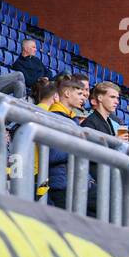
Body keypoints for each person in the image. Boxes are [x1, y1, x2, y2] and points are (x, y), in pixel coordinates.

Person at [41, 76, 87, 209]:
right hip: (60, 183)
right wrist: (79, 149)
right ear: (67, 93)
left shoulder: (72, 118)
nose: (83, 98)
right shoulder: (54, 117)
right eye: (79, 94)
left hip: (72, 182)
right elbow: (52, 154)